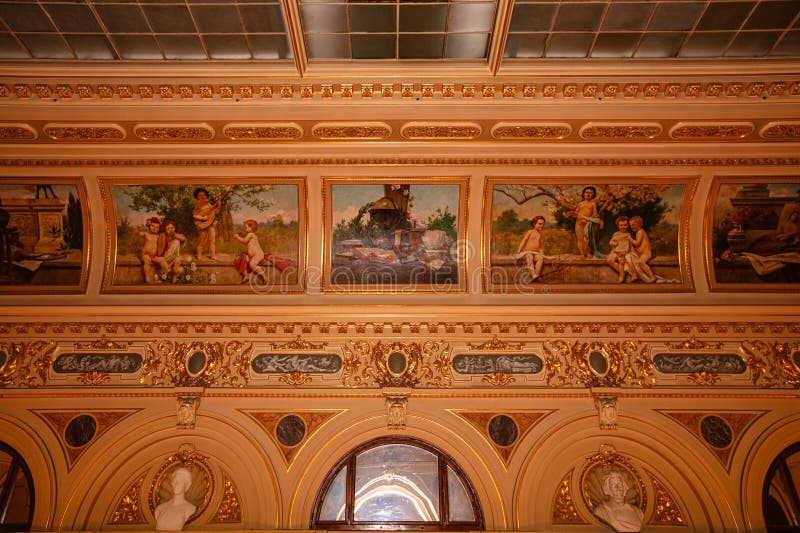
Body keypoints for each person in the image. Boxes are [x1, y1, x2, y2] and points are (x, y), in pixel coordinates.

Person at [154, 467, 196, 531]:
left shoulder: (190, 509)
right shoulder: (160, 509)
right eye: (175, 480)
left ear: (187, 485)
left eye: (180, 481)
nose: (176, 484)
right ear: (172, 483)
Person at [569, 186, 604, 258]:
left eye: (591, 193)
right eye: (586, 192)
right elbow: (576, 213)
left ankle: (588, 252)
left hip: (588, 224)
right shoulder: (580, 204)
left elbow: (595, 214)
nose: (588, 194)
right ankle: (582, 253)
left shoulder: (593, 204)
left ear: (593, 195)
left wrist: (592, 219)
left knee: (587, 240)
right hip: (579, 223)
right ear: (583, 194)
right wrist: (573, 214)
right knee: (580, 239)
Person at [136, 217, 169, 284]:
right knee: (147, 260)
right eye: (152, 226)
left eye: (157, 227)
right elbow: (137, 233)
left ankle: (167, 271)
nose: (154, 228)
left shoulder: (158, 236)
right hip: (145, 254)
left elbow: (163, 239)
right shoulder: (146, 234)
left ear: (159, 229)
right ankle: (147, 276)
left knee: (162, 259)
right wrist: (138, 227)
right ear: (149, 226)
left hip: (154, 256)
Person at [234, 219, 268, 283]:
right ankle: (246, 275)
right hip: (252, 255)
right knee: (242, 259)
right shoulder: (249, 235)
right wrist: (240, 236)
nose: (245, 229)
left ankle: (264, 276)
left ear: (251, 228)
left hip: (258, 254)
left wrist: (237, 237)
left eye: (246, 227)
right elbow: (245, 239)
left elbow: (244, 241)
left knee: (252, 264)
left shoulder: (251, 234)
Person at [516, 216, 546, 282]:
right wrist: (519, 250)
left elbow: (539, 246)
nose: (542, 225)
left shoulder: (539, 234)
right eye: (540, 224)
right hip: (527, 252)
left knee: (540, 258)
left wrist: (542, 253)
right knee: (529, 257)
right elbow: (524, 240)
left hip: (535, 253)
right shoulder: (530, 232)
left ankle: (537, 275)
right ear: (534, 224)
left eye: (543, 224)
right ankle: (533, 274)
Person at [607, 216, 637, 283]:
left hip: (624, 252)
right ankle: (623, 271)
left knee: (621, 261)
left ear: (628, 226)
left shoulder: (628, 235)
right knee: (609, 260)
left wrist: (633, 251)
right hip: (616, 251)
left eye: (625, 225)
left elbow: (631, 245)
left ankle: (622, 275)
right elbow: (611, 242)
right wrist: (613, 243)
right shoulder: (616, 234)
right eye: (621, 225)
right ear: (618, 226)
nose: (623, 227)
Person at [192, 187, 219, 261]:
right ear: (197, 197)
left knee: (212, 241)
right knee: (202, 241)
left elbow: (215, 212)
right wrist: (202, 218)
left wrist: (219, 205)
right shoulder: (198, 206)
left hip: (211, 225)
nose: (202, 196)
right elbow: (194, 215)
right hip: (203, 225)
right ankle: (199, 255)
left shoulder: (209, 205)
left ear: (207, 196)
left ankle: (213, 255)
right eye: (200, 195)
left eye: (204, 195)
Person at [629, 215, 656, 281]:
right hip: (641, 254)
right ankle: (635, 275)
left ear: (640, 224)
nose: (632, 227)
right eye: (631, 225)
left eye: (634, 224)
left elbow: (637, 243)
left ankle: (652, 276)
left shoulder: (641, 231)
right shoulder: (638, 232)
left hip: (646, 254)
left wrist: (630, 239)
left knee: (641, 262)